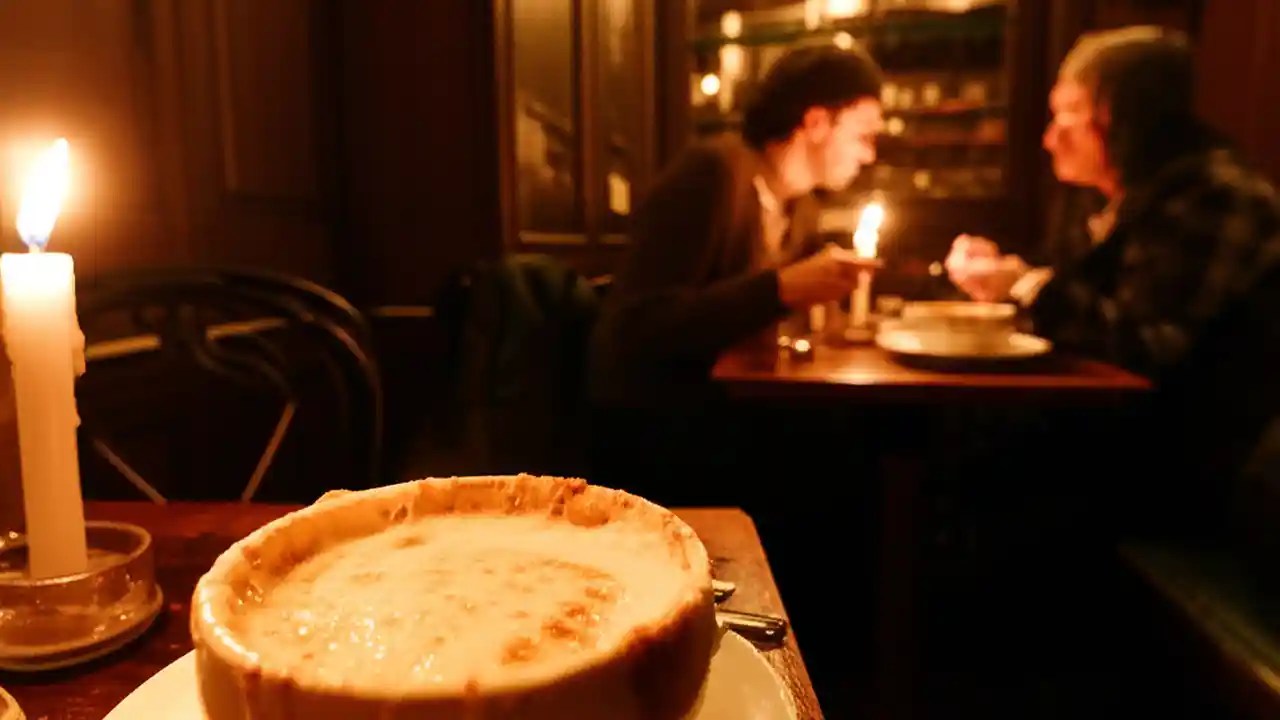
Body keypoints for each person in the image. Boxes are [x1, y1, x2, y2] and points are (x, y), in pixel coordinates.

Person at [938, 26, 1280, 702]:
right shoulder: (1140, 198)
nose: (1047, 136)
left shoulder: (1219, 197)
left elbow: (1148, 351)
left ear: (1115, 116)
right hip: (1125, 457)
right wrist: (1017, 281)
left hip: (1193, 482)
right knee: (950, 467)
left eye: (1063, 115)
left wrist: (1024, 286)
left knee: (972, 502)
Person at [587, 44, 886, 505]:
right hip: (658, 436)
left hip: (733, 420)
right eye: (864, 135)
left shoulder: (799, 205)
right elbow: (636, 327)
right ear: (815, 122)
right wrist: (782, 288)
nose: (869, 155)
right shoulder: (712, 173)